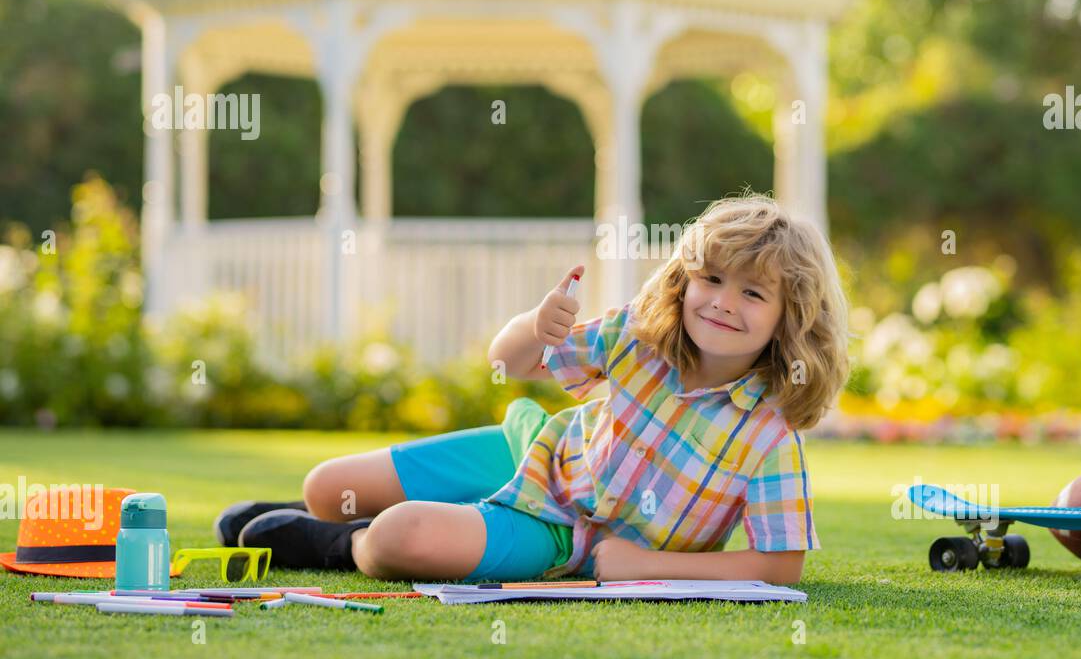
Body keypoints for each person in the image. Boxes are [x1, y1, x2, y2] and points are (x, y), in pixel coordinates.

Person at [224, 192, 851, 584]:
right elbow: (511, 361)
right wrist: (535, 326)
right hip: (533, 450)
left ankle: (333, 542)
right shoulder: (639, 335)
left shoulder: (770, 435)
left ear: (789, 317)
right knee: (328, 486)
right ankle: (315, 514)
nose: (721, 303)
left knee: (396, 538)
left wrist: (646, 565)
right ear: (685, 279)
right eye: (711, 278)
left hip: (562, 531)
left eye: (752, 292)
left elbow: (778, 565)